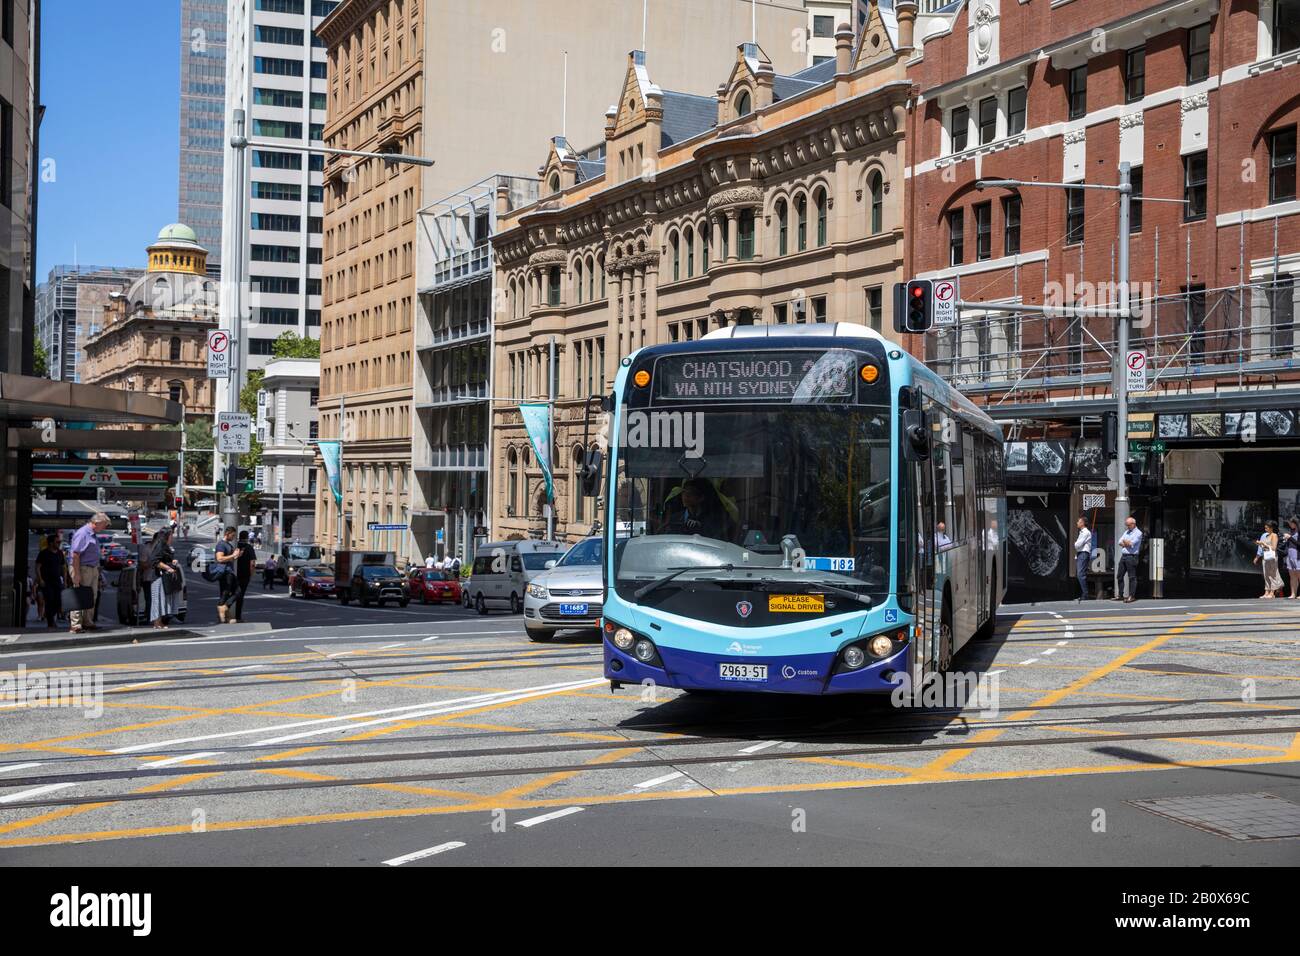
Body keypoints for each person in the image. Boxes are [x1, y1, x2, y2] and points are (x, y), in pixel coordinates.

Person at [68, 512, 110, 633]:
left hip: (92, 568)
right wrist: (76, 574)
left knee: (91, 596)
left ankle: (87, 621)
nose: (105, 528)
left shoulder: (92, 534)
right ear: (96, 523)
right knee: (80, 595)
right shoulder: (83, 533)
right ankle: (75, 625)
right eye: (104, 525)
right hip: (82, 568)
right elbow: (75, 554)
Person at [148, 528, 180, 630]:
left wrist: (172, 562)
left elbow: (163, 559)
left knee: (161, 599)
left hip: (162, 577)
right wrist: (168, 567)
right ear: (167, 536)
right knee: (158, 599)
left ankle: (159, 622)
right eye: (171, 535)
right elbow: (154, 561)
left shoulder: (165, 546)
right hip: (158, 577)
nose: (172, 537)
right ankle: (157, 623)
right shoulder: (160, 545)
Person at [34, 533, 66, 629]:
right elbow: (37, 567)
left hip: (57, 581)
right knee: (49, 601)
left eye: (60, 542)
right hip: (47, 581)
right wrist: (40, 579)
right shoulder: (44, 553)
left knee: (59, 601)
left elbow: (63, 567)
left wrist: (65, 580)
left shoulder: (60, 553)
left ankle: (51, 618)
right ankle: (50, 622)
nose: (59, 543)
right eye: (57, 542)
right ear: (51, 543)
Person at [214, 526, 240, 623]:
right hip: (226, 572)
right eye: (232, 535)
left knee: (225, 594)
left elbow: (230, 558)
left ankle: (224, 616)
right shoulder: (221, 545)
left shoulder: (227, 544)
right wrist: (233, 555)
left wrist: (236, 555)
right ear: (227, 534)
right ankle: (223, 608)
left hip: (229, 571)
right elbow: (219, 558)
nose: (233, 537)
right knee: (236, 592)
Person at [1116, 516, 1143, 603]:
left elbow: (1131, 543)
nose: (1127, 526)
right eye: (1126, 525)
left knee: (1132, 577)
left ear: (1133, 524)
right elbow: (1119, 542)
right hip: (1124, 556)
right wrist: (1126, 542)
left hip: (1132, 557)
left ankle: (1132, 596)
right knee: (1119, 576)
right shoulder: (1126, 532)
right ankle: (1120, 595)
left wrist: (1126, 542)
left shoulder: (1138, 533)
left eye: (1128, 525)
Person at [1254, 520, 1284, 599]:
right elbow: (1264, 547)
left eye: (1267, 527)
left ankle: (1272, 592)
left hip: (1272, 557)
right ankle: (1266, 591)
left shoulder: (1274, 535)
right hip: (1266, 556)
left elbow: (1274, 548)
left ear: (1271, 528)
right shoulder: (1266, 536)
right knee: (1266, 574)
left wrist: (1264, 544)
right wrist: (1260, 544)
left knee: (1272, 574)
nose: (1265, 529)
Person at [234, 530, 256, 622]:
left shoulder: (235, 545)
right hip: (244, 575)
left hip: (234, 573)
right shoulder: (249, 547)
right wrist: (251, 574)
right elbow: (252, 563)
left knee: (232, 593)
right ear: (247, 537)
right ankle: (237, 616)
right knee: (240, 595)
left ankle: (228, 613)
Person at [1073, 516, 1093, 602]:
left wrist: (1076, 544)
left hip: (1083, 554)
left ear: (1082, 523)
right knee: (1080, 574)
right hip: (1081, 554)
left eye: (1078, 521)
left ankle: (1085, 594)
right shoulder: (1082, 532)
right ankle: (1084, 594)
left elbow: (1077, 545)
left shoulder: (1085, 532)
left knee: (1081, 575)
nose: (1077, 523)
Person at [1285, 518, 1300, 599]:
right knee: (1292, 576)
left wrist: (1290, 538)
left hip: (1297, 555)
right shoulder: (1291, 531)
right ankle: (1293, 594)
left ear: (1295, 523)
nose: (1290, 525)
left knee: (1299, 575)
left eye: (1291, 523)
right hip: (1290, 555)